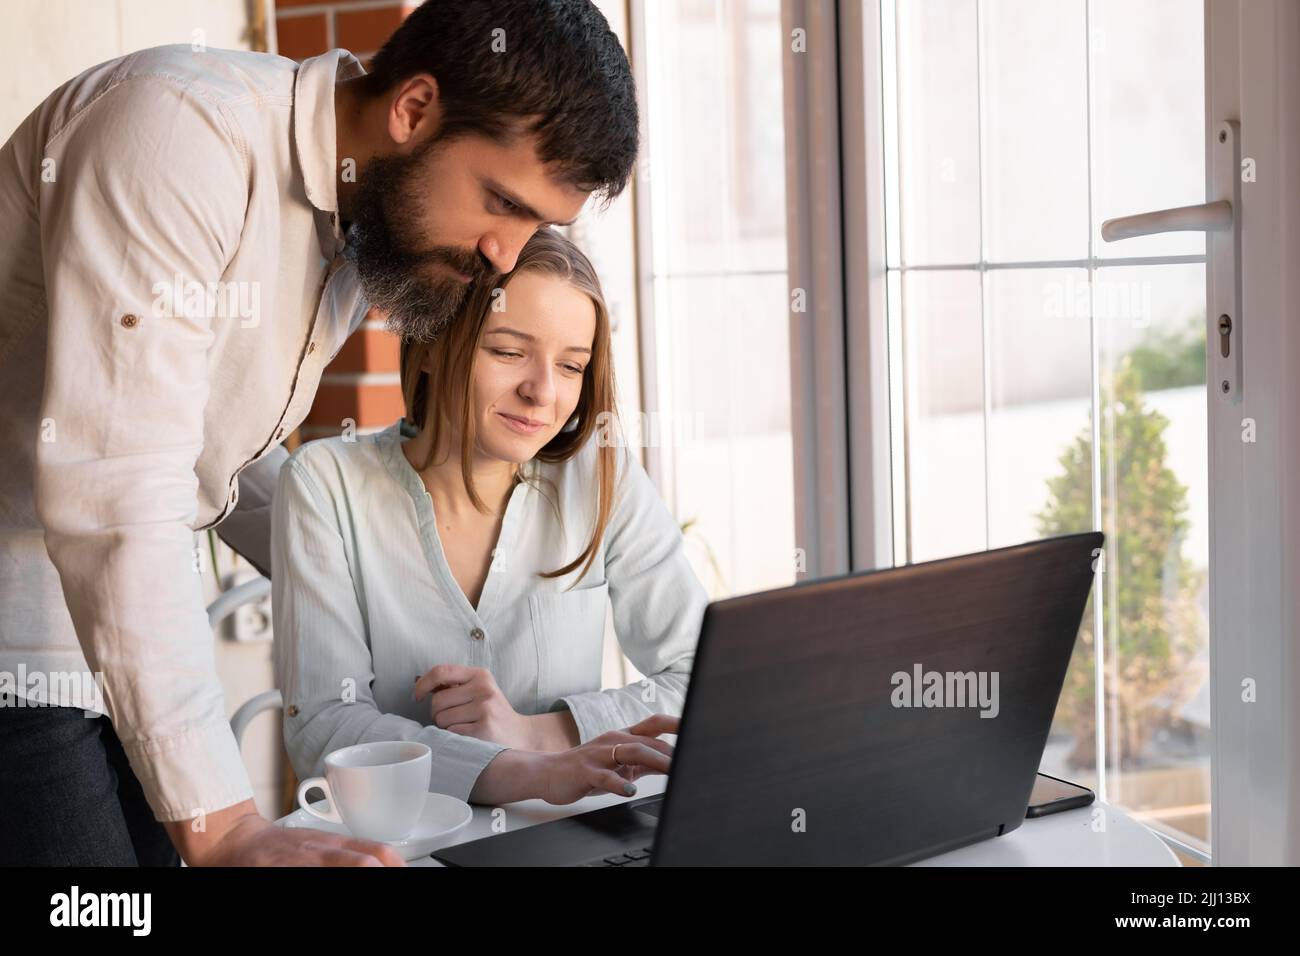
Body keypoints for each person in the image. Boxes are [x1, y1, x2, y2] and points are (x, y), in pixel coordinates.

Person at [0, 1, 638, 866]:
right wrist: (226, 829)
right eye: (501, 202)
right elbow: (122, 487)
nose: (503, 254)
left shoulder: (351, 224)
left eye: (535, 228)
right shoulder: (182, 135)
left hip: (109, 634)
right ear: (412, 110)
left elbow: (207, 460)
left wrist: (369, 555)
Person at [272, 228, 706, 808]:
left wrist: (543, 734)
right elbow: (324, 725)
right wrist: (520, 771)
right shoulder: (325, 485)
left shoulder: (602, 477)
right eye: (508, 352)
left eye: (572, 366)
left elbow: (705, 681)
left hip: (575, 839)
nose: (542, 392)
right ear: (428, 346)